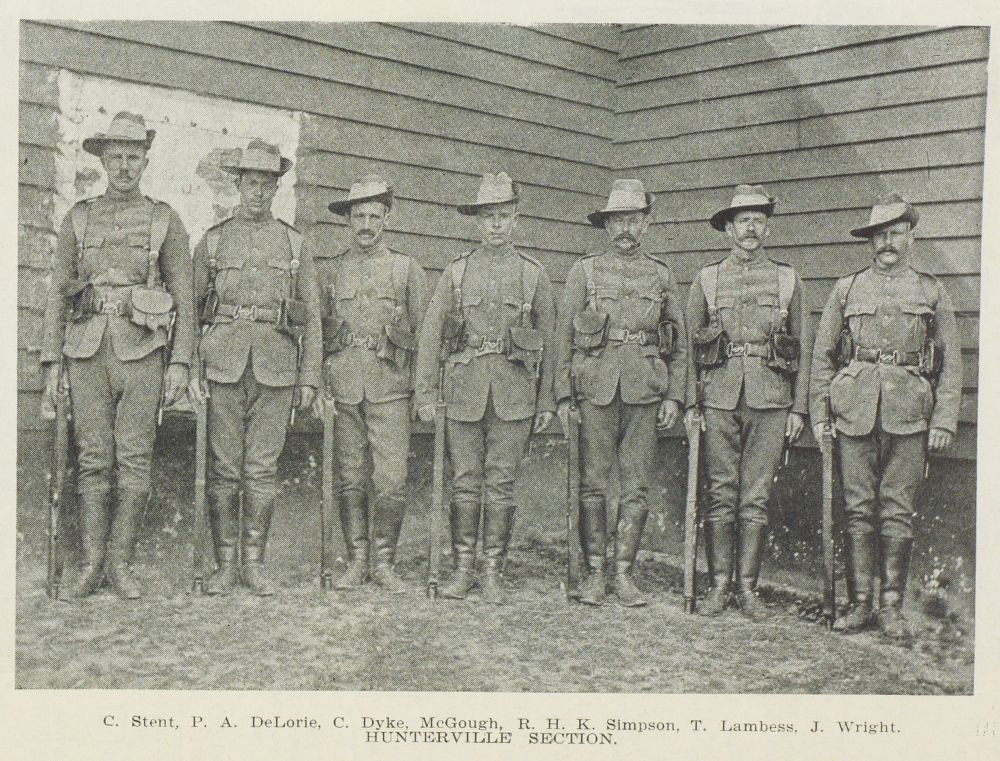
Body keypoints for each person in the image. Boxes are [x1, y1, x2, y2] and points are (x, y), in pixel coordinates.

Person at [40, 111, 195, 600]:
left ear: (145, 161)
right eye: (116, 157)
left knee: (134, 457)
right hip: (85, 350)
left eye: (133, 156)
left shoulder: (163, 219)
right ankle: (89, 566)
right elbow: (57, 294)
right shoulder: (78, 217)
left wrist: (179, 363)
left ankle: (121, 563)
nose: (125, 166)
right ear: (104, 161)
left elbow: (185, 298)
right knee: (92, 458)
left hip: (143, 349)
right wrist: (51, 363)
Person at [809, 193, 961, 638]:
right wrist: (820, 415)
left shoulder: (931, 290)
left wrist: (944, 421)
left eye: (895, 233)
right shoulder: (847, 288)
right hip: (853, 411)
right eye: (879, 235)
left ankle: (891, 607)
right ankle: (859, 604)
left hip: (910, 414)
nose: (887, 242)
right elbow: (822, 358)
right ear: (870, 241)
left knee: (898, 509)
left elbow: (951, 363)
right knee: (857, 509)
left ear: (910, 237)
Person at [415, 173, 556, 604]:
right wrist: (423, 393)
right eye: (488, 217)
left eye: (503, 215)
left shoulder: (533, 275)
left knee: (501, 483)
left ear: (516, 218)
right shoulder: (457, 272)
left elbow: (550, 341)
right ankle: (461, 569)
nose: (496, 224)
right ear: (477, 222)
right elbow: (430, 334)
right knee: (464, 481)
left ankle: (492, 570)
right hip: (463, 390)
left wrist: (547, 399)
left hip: (514, 394)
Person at [190, 139, 321, 597]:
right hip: (222, 363)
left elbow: (313, 315)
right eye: (251, 183)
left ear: (276, 188)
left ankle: (254, 563)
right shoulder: (212, 240)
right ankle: (225, 564)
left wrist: (309, 377)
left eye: (267, 184)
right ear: (238, 185)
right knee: (225, 467)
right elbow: (189, 311)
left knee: (261, 469)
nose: (258, 193)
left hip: (277, 366)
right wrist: (188, 368)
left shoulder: (294, 243)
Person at [555, 179, 687, 607]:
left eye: (633, 220)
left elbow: (680, 344)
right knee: (593, 484)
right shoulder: (585, 271)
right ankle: (594, 573)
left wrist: (674, 397)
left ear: (646, 224)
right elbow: (563, 339)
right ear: (606, 227)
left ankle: (624, 575)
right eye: (617, 221)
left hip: (645, 390)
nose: (625, 229)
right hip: (595, 387)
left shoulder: (661, 275)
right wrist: (561, 397)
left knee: (635, 487)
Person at [684, 185, 811, 620]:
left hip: (771, 397)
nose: (751, 228)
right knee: (721, 491)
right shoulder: (707, 278)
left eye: (758, 219)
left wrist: (798, 408)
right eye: (743, 220)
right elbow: (687, 346)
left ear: (768, 227)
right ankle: (719, 586)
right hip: (717, 396)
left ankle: (748, 588)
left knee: (755, 496)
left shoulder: (787, 278)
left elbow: (805, 346)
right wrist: (689, 404)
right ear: (728, 229)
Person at [313, 175, 428, 594]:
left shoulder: (406, 269)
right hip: (344, 386)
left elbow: (424, 337)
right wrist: (319, 383)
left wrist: (422, 391)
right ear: (347, 221)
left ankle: (384, 562)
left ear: (386, 218)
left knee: (391, 479)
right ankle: (357, 560)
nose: (366, 224)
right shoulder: (331, 270)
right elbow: (318, 332)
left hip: (390, 387)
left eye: (374, 216)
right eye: (358, 216)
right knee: (350, 476)